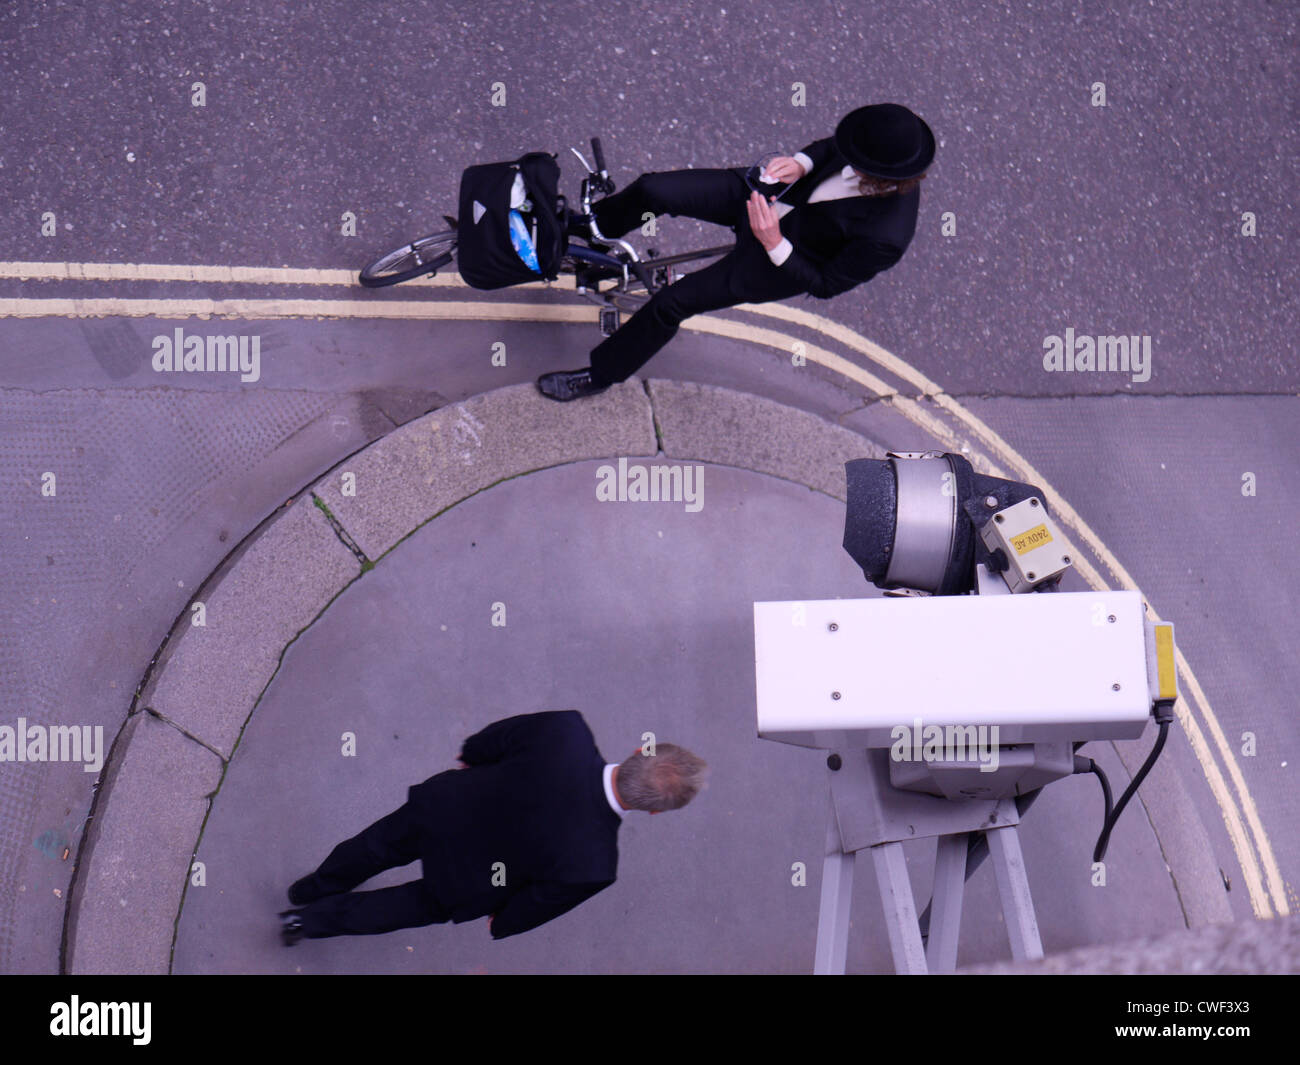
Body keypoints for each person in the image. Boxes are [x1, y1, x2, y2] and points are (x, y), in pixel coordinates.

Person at [536, 102, 935, 402]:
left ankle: (600, 375)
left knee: (670, 304)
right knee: (654, 190)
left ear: (885, 175)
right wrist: (800, 163)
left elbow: (826, 284)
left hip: (777, 260)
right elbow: (831, 148)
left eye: (858, 160)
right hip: (766, 196)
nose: (849, 158)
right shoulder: (863, 148)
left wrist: (773, 242)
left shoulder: (887, 236)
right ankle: (592, 227)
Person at [279, 710, 707, 944]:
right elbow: (532, 906)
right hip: (466, 883)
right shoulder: (596, 865)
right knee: (388, 910)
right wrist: (502, 922)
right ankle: (306, 923)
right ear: (654, 811)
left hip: (444, 810)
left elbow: (489, 743)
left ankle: (313, 886)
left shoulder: (566, 731)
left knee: (373, 847)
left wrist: (473, 760)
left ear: (638, 752)